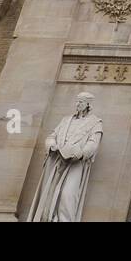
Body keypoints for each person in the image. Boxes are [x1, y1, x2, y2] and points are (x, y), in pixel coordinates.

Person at [27, 92, 103, 222]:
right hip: (57, 160)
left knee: (68, 195)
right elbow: (52, 135)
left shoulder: (95, 123)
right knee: (49, 193)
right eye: (77, 101)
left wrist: (80, 153)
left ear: (88, 105)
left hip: (75, 163)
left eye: (81, 102)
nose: (78, 104)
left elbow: (93, 143)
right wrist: (51, 146)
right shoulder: (66, 120)